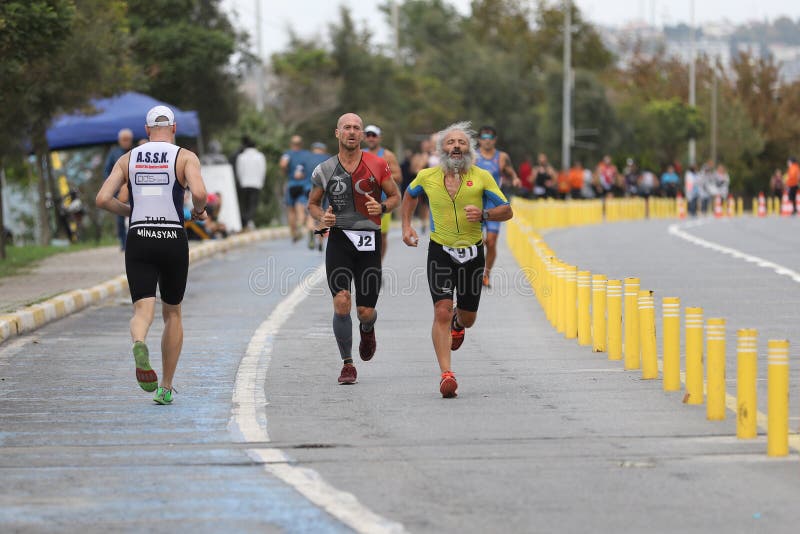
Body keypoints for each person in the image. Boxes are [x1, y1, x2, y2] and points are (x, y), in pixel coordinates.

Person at [95, 105, 208, 405]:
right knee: (172, 313)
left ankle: (139, 342)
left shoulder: (128, 158)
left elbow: (102, 199)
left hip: (139, 237)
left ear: (146, 130)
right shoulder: (184, 156)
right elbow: (199, 193)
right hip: (172, 237)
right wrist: (198, 211)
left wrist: (130, 212)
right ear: (174, 128)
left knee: (142, 312)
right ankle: (166, 388)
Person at [401, 121, 512, 398]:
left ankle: (458, 325)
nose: (456, 146)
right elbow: (410, 195)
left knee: (468, 317)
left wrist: (484, 215)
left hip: (472, 253)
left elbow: (507, 210)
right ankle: (446, 374)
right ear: (441, 149)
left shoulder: (482, 176)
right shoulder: (427, 176)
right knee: (441, 310)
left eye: (461, 142)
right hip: (440, 251)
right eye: (450, 142)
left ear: (469, 149)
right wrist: (406, 226)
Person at [307, 113, 401, 385]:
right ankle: (347, 364)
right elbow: (313, 204)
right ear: (337, 133)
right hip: (339, 240)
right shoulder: (324, 169)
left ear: (361, 135)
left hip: (369, 241)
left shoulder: (378, 164)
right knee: (341, 301)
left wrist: (381, 207)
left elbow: (395, 196)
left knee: (365, 311)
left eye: (356, 128)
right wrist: (321, 217)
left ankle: (367, 327)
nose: (351, 132)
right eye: (346, 127)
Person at [474, 125, 520, 287]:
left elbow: (510, 171)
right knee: (477, 241)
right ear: (479, 140)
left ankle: (486, 274)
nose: (487, 141)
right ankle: (475, 272)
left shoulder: (501, 157)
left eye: (490, 138)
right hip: (476, 200)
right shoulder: (473, 156)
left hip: (493, 202)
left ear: (495, 140)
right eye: (484, 138)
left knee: (491, 242)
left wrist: (515, 179)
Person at [363, 124, 402, 260]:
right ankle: (364, 264)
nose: (371, 138)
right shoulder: (359, 154)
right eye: (368, 135)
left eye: (374, 135)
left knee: (381, 235)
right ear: (364, 138)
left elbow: (398, 176)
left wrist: (380, 177)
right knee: (362, 234)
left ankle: (378, 264)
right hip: (362, 202)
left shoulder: (387, 155)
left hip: (383, 202)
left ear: (379, 138)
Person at [103, 128, 134, 251]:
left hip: (134, 190)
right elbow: (107, 172)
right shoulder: (114, 153)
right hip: (118, 191)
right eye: (123, 139)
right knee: (120, 217)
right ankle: (124, 243)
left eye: (128, 139)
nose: (126, 142)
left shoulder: (136, 152)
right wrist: (115, 187)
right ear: (119, 140)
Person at [280, 135, 310, 242]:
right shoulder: (307, 154)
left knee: (291, 210)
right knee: (301, 207)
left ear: (291, 144)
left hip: (292, 184)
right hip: (304, 185)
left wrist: (286, 172)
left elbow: (283, 164)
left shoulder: (287, 154)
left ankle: (293, 233)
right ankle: (301, 225)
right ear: (301, 144)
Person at [235, 136, 267, 231]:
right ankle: (248, 221)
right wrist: (261, 182)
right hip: (256, 184)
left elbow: (239, 171)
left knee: (245, 204)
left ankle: (245, 222)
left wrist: (241, 181)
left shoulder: (241, 157)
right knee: (253, 204)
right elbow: (262, 170)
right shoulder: (260, 156)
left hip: (244, 184)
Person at [304, 141, 330, 250]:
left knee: (311, 213)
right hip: (325, 189)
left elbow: (299, 174)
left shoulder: (306, 159)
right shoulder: (328, 158)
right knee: (322, 214)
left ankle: (311, 230)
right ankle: (320, 241)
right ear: (323, 150)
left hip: (309, 189)